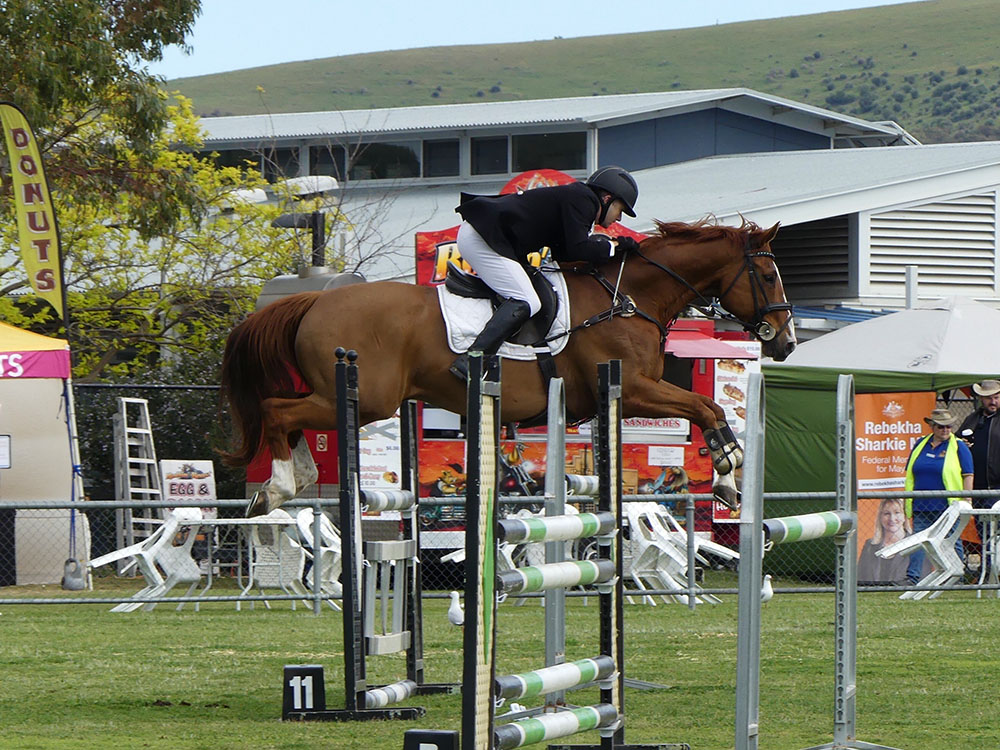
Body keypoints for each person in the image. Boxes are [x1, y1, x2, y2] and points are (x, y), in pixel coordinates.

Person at [448, 166, 640, 380]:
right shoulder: (583, 200)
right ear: (607, 198)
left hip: (490, 237)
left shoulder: (580, 201)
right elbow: (578, 248)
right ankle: (474, 359)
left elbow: (565, 253)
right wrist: (614, 247)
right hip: (482, 238)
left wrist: (611, 249)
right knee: (528, 300)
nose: (619, 219)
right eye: (620, 210)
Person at [903, 408, 974, 584]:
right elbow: (910, 472)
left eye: (949, 426)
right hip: (921, 504)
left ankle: (956, 576)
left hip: (948, 505)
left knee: (951, 541)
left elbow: (968, 475)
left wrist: (967, 500)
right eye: (941, 427)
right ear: (932, 427)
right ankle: (912, 577)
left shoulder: (959, 446)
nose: (946, 430)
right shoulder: (920, 444)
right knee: (917, 541)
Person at [957, 378, 1000, 566]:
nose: (993, 402)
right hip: (978, 488)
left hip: (998, 486)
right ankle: (989, 569)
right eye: (989, 398)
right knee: (984, 531)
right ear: (981, 399)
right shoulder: (972, 419)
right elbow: (956, 443)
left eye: (997, 397)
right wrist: (963, 445)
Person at [857, 497, 911, 584]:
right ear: (880, 518)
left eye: (897, 512)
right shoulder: (869, 545)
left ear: (904, 516)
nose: (892, 518)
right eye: (886, 514)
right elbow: (861, 577)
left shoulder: (915, 543)